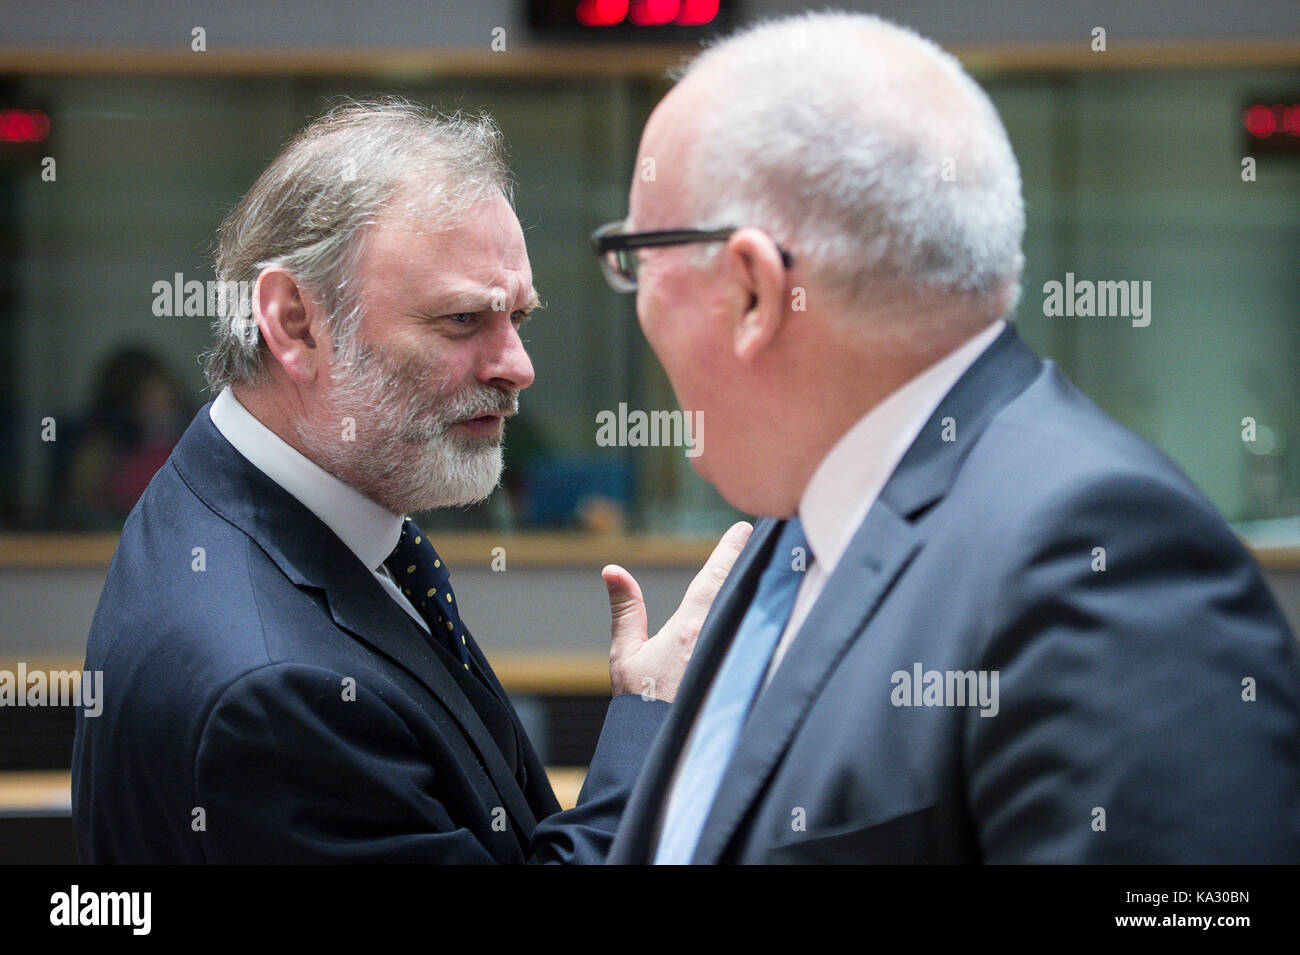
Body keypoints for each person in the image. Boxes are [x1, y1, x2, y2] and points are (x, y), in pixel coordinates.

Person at [594, 12, 1300, 863]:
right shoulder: (794, 528)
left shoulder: (1098, 555)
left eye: (637, 256)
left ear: (753, 290)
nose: (632, 301)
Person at [71, 100, 750, 863]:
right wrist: (654, 718)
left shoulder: (235, 487)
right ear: (294, 323)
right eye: (463, 320)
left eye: (517, 318)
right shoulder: (274, 696)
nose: (517, 366)